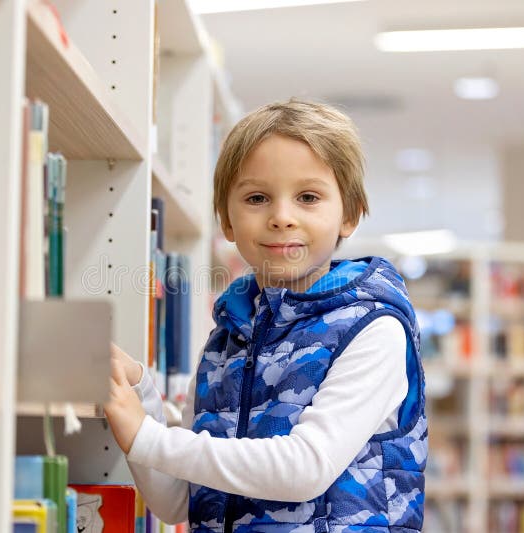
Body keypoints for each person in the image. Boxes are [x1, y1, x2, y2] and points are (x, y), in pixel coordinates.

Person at [104, 98, 426, 533]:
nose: (281, 217)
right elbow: (178, 502)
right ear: (227, 222)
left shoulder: (374, 330)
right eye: (257, 198)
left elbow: (306, 467)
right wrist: (140, 395)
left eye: (308, 197)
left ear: (348, 214)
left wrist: (151, 439)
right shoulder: (228, 340)